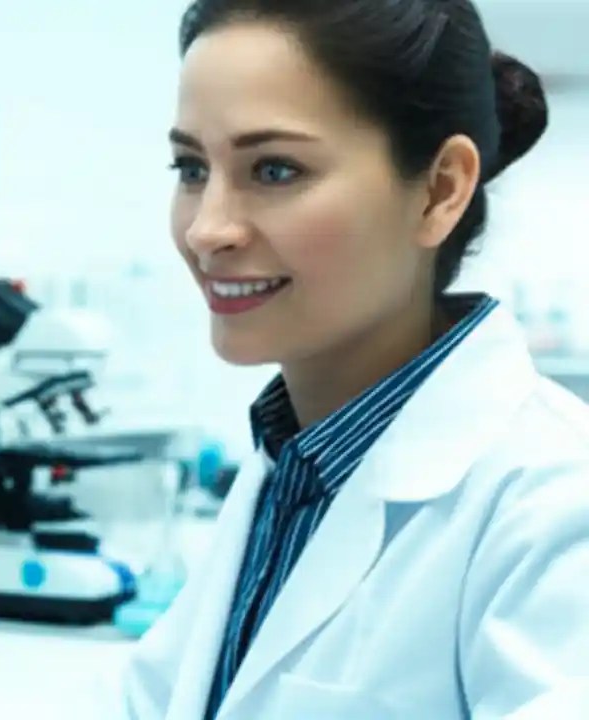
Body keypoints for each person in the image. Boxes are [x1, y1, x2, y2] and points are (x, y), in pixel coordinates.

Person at [119, 1, 589, 718]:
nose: (207, 228)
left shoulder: (554, 504)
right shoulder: (293, 468)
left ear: (440, 190)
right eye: (191, 168)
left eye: (275, 169)